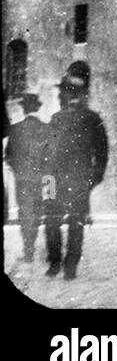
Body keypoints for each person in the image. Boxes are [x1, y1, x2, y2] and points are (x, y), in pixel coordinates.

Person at [43, 70, 109, 279]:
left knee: (54, 221)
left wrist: (47, 183)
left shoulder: (60, 119)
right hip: (77, 180)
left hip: (59, 179)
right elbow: (102, 153)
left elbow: (47, 155)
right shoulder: (90, 118)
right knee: (75, 223)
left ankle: (56, 264)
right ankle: (69, 267)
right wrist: (94, 178)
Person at [5, 93, 47, 261]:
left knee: (24, 212)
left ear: (23, 109)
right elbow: (51, 156)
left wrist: (18, 170)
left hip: (22, 179)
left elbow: (8, 156)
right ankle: (34, 242)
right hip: (42, 179)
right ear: (37, 108)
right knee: (38, 211)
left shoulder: (15, 130)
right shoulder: (46, 128)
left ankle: (28, 249)